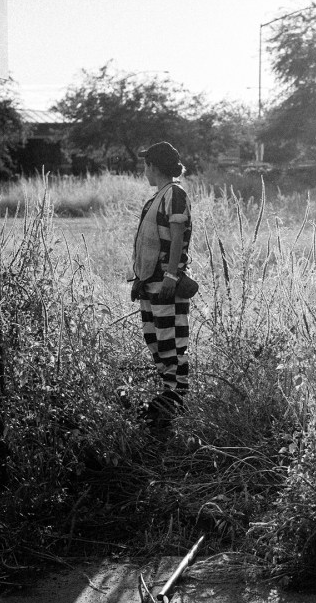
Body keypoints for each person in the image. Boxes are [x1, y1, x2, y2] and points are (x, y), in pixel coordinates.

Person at [128, 141, 193, 428]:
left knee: (172, 344)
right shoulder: (156, 198)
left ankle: (174, 399)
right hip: (149, 284)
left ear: (154, 166)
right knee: (155, 341)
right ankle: (167, 398)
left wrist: (171, 276)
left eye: (146, 165)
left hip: (167, 284)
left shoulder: (175, 194)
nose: (145, 171)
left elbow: (178, 237)